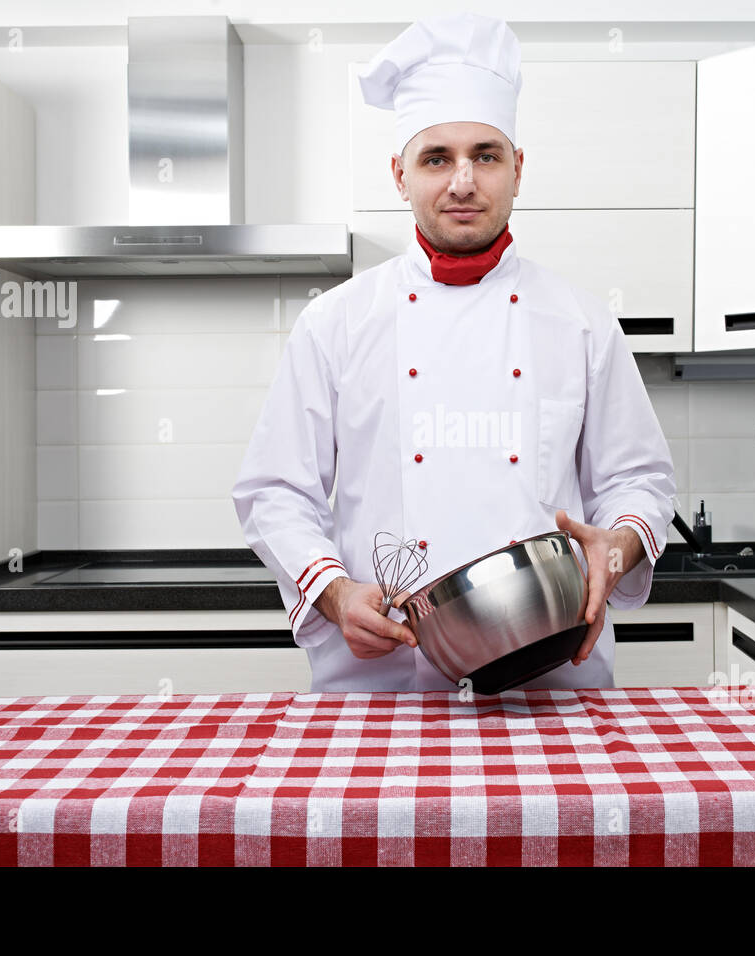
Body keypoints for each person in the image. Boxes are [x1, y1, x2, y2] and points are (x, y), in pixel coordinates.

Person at [231, 12, 676, 692]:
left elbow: (640, 480)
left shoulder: (583, 323)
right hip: (381, 685)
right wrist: (332, 591)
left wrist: (616, 548)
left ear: (518, 170)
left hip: (553, 680)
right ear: (399, 175)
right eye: (436, 158)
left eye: (486, 155)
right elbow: (275, 491)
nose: (463, 181)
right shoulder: (336, 324)